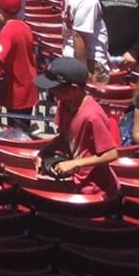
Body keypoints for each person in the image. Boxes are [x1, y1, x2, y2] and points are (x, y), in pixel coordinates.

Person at [37, 56, 121, 196]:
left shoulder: (92, 115)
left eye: (55, 88)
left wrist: (75, 163)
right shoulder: (64, 103)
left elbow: (112, 154)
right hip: (75, 181)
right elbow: (64, 136)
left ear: (73, 89)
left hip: (96, 190)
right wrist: (43, 153)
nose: (51, 92)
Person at [0, 0, 40, 132]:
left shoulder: (9, 30)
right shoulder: (24, 26)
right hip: (27, 87)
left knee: (18, 133)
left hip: (18, 91)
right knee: (20, 130)